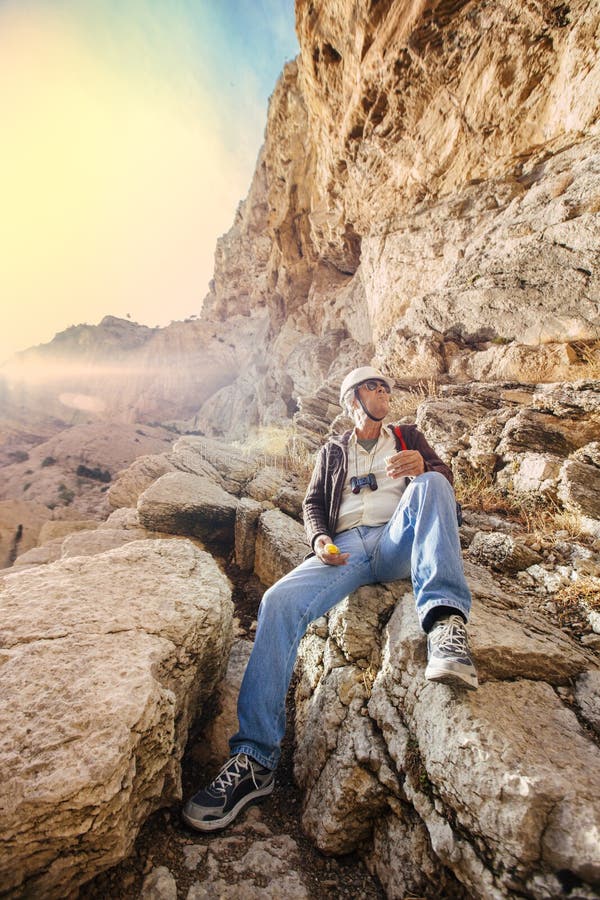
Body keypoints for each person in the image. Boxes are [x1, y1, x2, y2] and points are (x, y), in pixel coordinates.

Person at [183, 366, 478, 833]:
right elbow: (313, 504)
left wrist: (426, 467)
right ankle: (255, 760)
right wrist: (319, 539)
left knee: (433, 484)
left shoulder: (407, 435)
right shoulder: (332, 451)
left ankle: (444, 623)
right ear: (351, 400)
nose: (383, 393)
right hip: (347, 550)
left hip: (398, 538)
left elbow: (445, 483)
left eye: (386, 387)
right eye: (373, 387)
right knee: (278, 601)